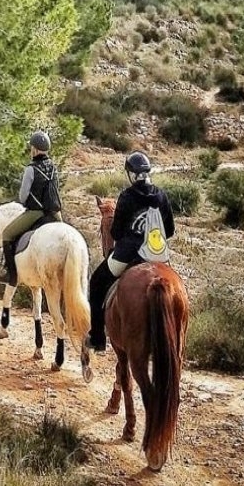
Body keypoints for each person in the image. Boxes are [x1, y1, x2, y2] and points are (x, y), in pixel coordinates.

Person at [85, 151, 175, 354]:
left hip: (128, 254)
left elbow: (116, 231)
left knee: (97, 282)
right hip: (157, 254)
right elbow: (169, 231)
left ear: (132, 175)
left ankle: (98, 338)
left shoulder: (127, 196)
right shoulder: (161, 195)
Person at [0, 131, 63, 286]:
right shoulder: (54, 167)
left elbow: (22, 197)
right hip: (55, 213)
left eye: (31, 148)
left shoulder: (31, 169)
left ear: (34, 149)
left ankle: (11, 275)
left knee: (6, 235)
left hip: (36, 213)